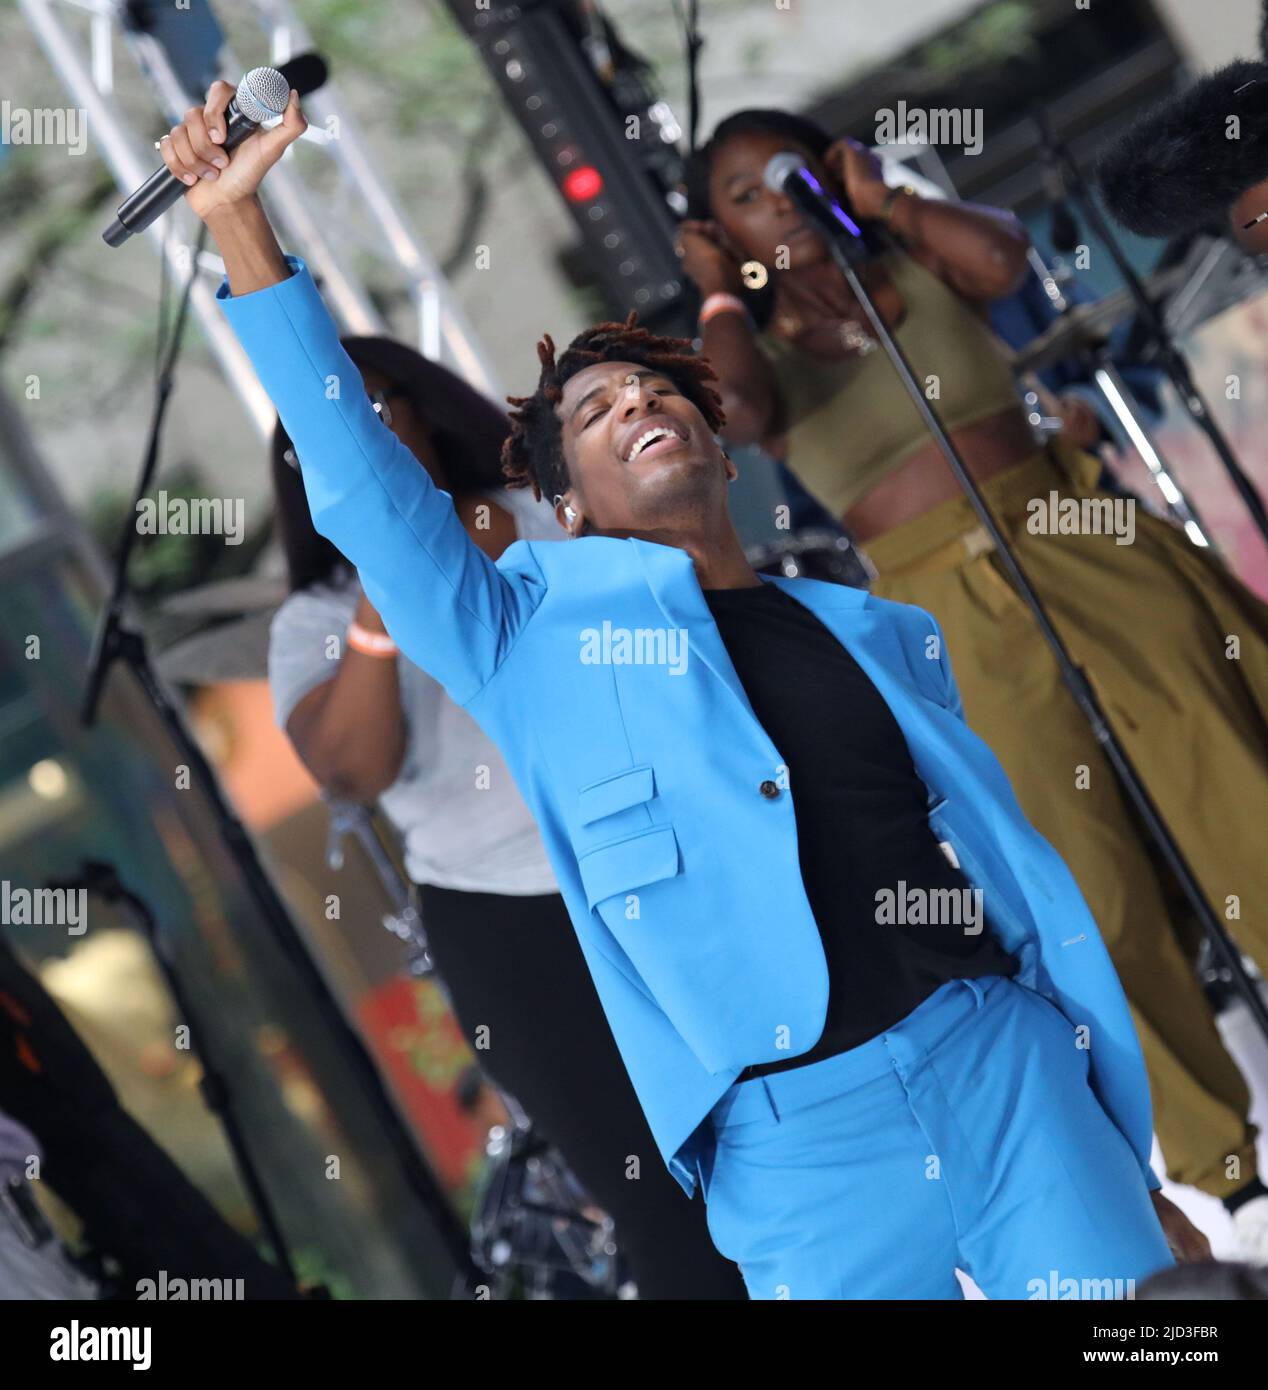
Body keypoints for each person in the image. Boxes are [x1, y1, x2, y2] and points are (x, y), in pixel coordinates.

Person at [161, 82, 1207, 1299]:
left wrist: (1115, 1156)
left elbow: (1001, 882)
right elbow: (363, 485)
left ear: (716, 447)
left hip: (1005, 1065)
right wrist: (242, 225)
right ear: (566, 511)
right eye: (595, 410)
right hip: (799, 1151)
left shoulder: (868, 627)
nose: (638, 402)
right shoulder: (524, 644)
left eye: (657, 393)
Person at [678, 108, 1268, 1256]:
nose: (778, 200)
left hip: (1071, 528)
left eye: (788, 170)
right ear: (717, 228)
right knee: (1081, 874)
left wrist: (879, 195)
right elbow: (735, 417)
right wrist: (713, 291)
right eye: (746, 195)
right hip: (939, 601)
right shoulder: (749, 348)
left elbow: (1004, 261)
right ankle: (1225, 1167)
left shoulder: (905, 252)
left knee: (1234, 787)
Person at [267, 335, 746, 1299]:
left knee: (771, 1136)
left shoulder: (558, 513)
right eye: (319, 423)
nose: (352, 431)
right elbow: (354, 771)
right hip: (510, 921)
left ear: (420, 407)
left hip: (664, 860)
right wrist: (384, 583)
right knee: (654, 1196)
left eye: (368, 403)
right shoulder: (312, 620)